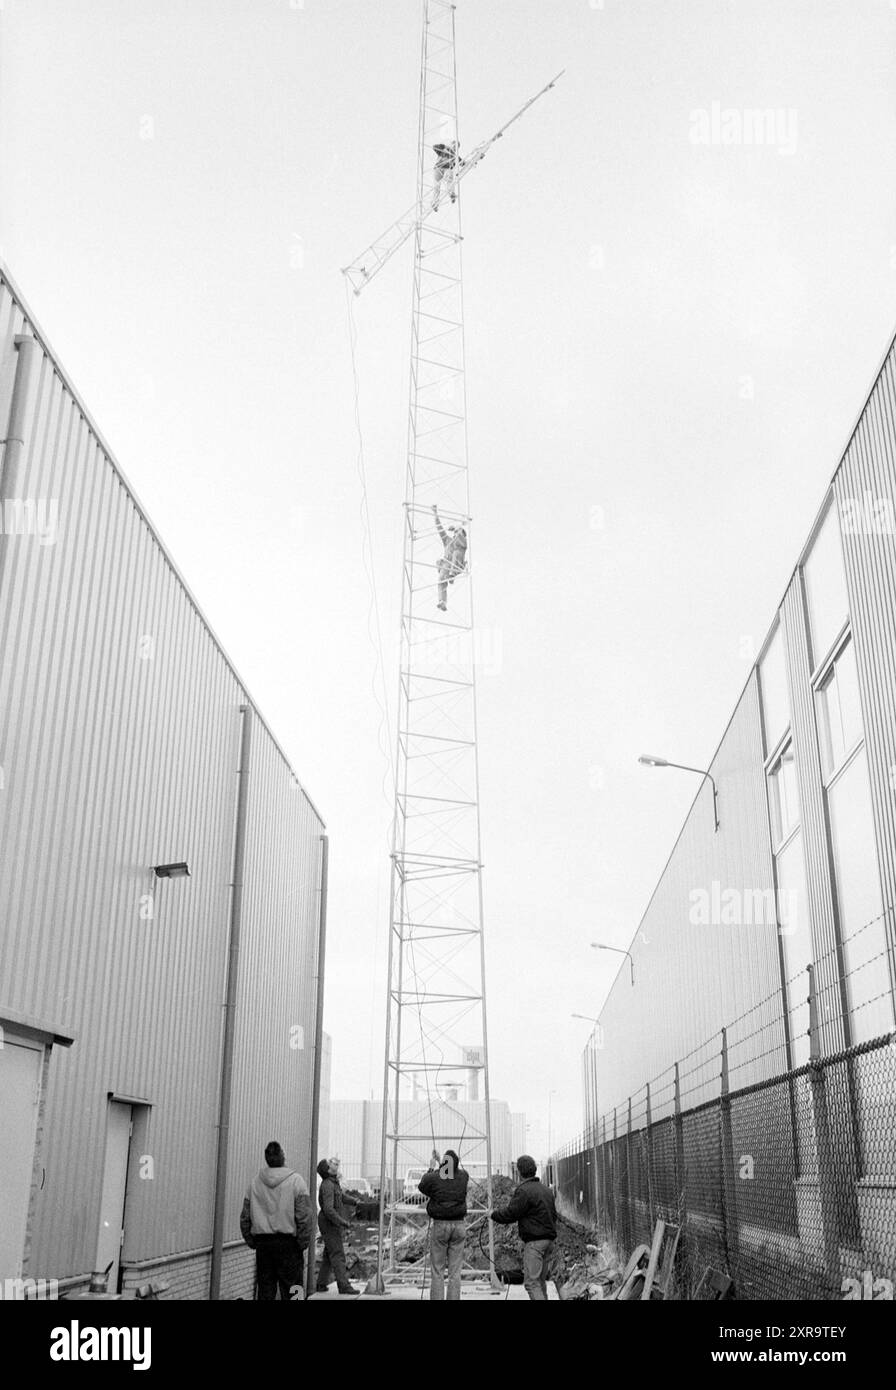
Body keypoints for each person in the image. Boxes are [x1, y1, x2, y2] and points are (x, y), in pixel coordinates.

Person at [240, 1141, 311, 1301]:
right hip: (289, 1245)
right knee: (294, 1291)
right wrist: (301, 1243)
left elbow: (245, 1217)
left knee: (265, 1290)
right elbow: (305, 1217)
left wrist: (253, 1241)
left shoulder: (254, 1183)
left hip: (264, 1246)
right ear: (283, 1157)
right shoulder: (296, 1181)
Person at [490, 1155, 561, 1301]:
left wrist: (493, 1214)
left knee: (531, 1283)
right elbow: (554, 1215)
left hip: (535, 1243)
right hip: (549, 1242)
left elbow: (511, 1214)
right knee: (540, 1283)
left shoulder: (524, 1191)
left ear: (519, 1172)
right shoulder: (546, 1191)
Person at [418, 1149, 469, 1302]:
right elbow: (452, 1174)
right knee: (455, 1272)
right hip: (459, 1226)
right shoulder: (463, 1177)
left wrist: (433, 1166)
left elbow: (423, 1186)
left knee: (437, 1271)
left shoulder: (434, 1177)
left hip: (440, 1225)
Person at [315, 1157, 359, 1296]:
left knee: (329, 1254)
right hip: (329, 1223)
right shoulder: (328, 1185)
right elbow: (328, 1209)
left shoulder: (333, 1183)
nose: (334, 1164)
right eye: (330, 1164)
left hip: (330, 1222)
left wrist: (354, 1201)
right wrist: (342, 1222)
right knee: (338, 1254)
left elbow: (340, 1197)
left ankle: (321, 1284)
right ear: (328, 1170)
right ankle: (344, 1285)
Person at [432, 505, 468, 612]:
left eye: (459, 532)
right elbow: (440, 530)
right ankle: (442, 601)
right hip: (448, 565)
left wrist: (457, 528)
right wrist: (435, 514)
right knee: (441, 580)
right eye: (456, 532)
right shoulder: (448, 541)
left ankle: (452, 576)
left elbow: (460, 538)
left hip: (457, 565)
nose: (457, 533)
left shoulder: (463, 542)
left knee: (456, 553)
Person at [432, 141, 462, 210]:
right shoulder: (444, 150)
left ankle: (451, 193)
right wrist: (442, 146)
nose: (455, 147)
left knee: (449, 178)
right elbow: (434, 147)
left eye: (457, 147)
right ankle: (434, 203)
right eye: (454, 145)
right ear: (451, 144)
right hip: (438, 168)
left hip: (447, 169)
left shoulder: (455, 156)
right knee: (436, 187)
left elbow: (462, 163)